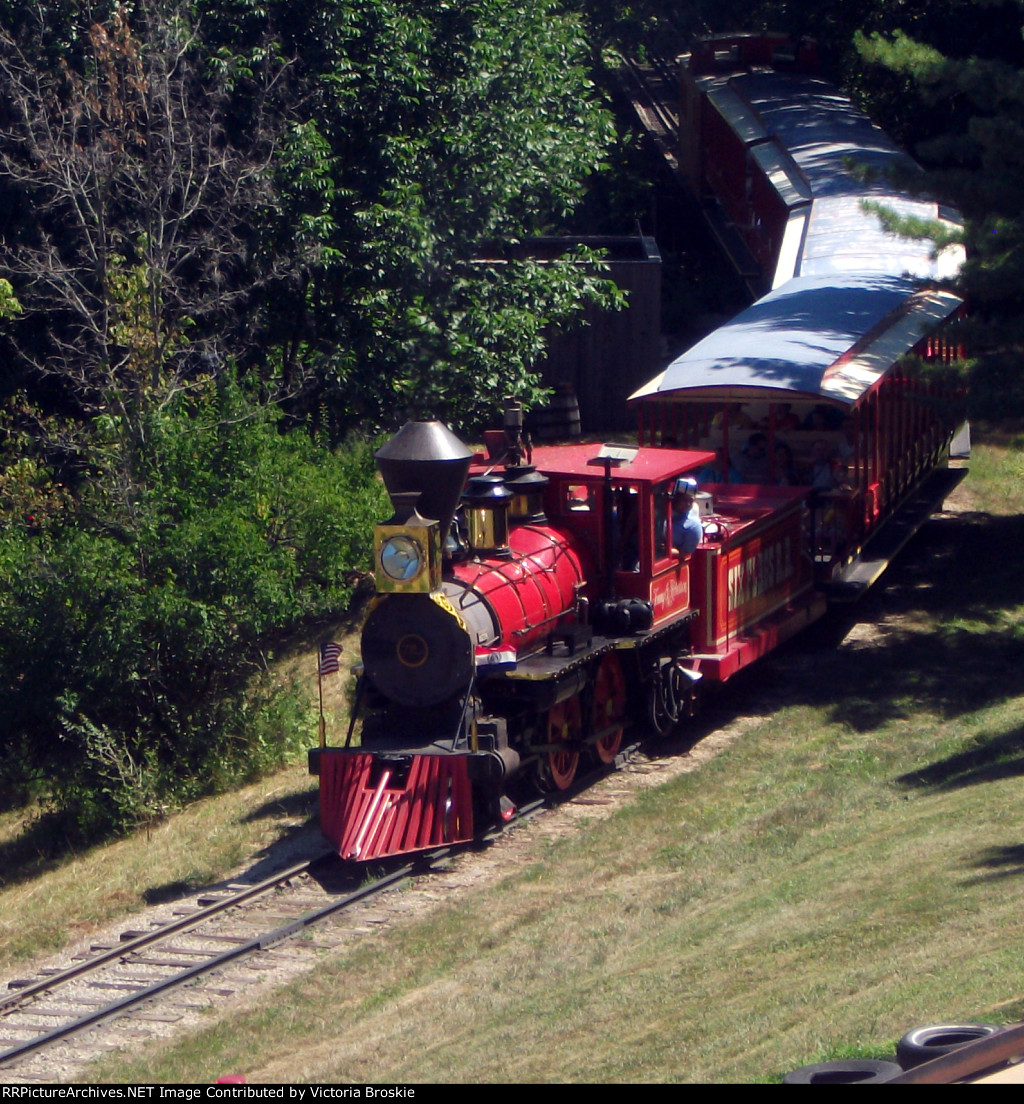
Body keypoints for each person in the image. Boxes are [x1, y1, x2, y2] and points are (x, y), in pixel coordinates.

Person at [671, 477, 703, 555]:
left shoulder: (693, 525)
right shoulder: (660, 513)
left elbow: (685, 553)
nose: (688, 504)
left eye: (691, 500)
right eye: (685, 500)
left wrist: (664, 551)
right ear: (676, 498)